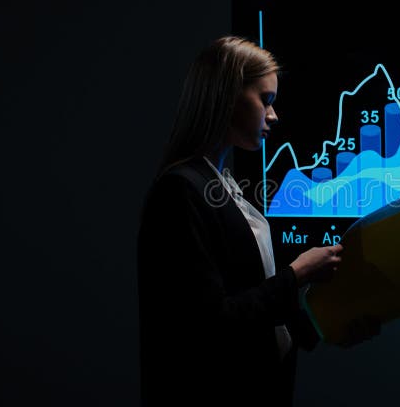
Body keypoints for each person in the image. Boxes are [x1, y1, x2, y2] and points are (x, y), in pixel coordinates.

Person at [136, 35, 379, 406]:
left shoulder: (222, 183)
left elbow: (253, 310)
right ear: (226, 97)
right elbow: (211, 323)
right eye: (265, 100)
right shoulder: (181, 191)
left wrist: (326, 327)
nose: (273, 115)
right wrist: (296, 275)